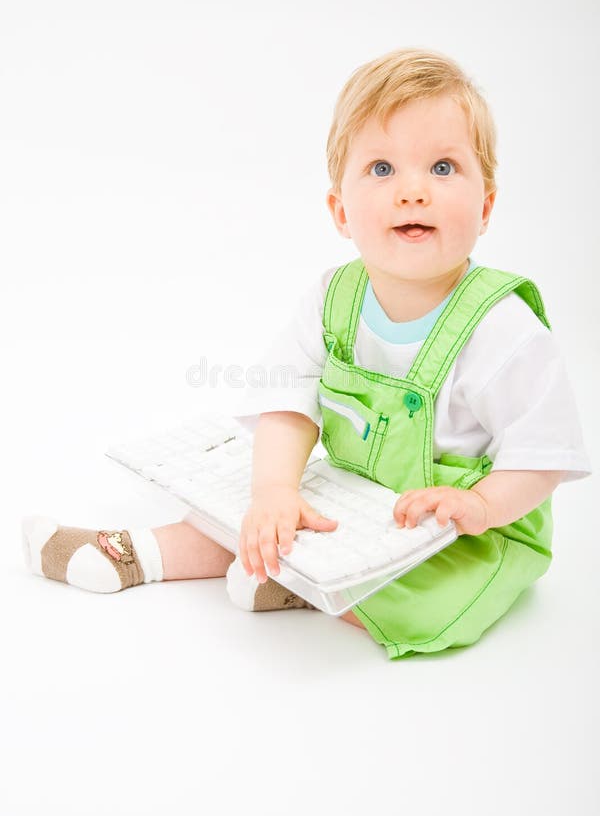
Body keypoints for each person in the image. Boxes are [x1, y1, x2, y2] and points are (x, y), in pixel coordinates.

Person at [22, 47, 591, 660]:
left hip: (466, 533)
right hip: (357, 494)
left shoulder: (504, 330)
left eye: (443, 167)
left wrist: (479, 505)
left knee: (435, 601)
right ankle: (132, 552)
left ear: (485, 206)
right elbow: (288, 401)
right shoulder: (333, 297)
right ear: (340, 211)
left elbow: (544, 457)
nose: (412, 192)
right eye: (381, 168)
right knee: (265, 511)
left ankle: (303, 588)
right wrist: (273, 492)